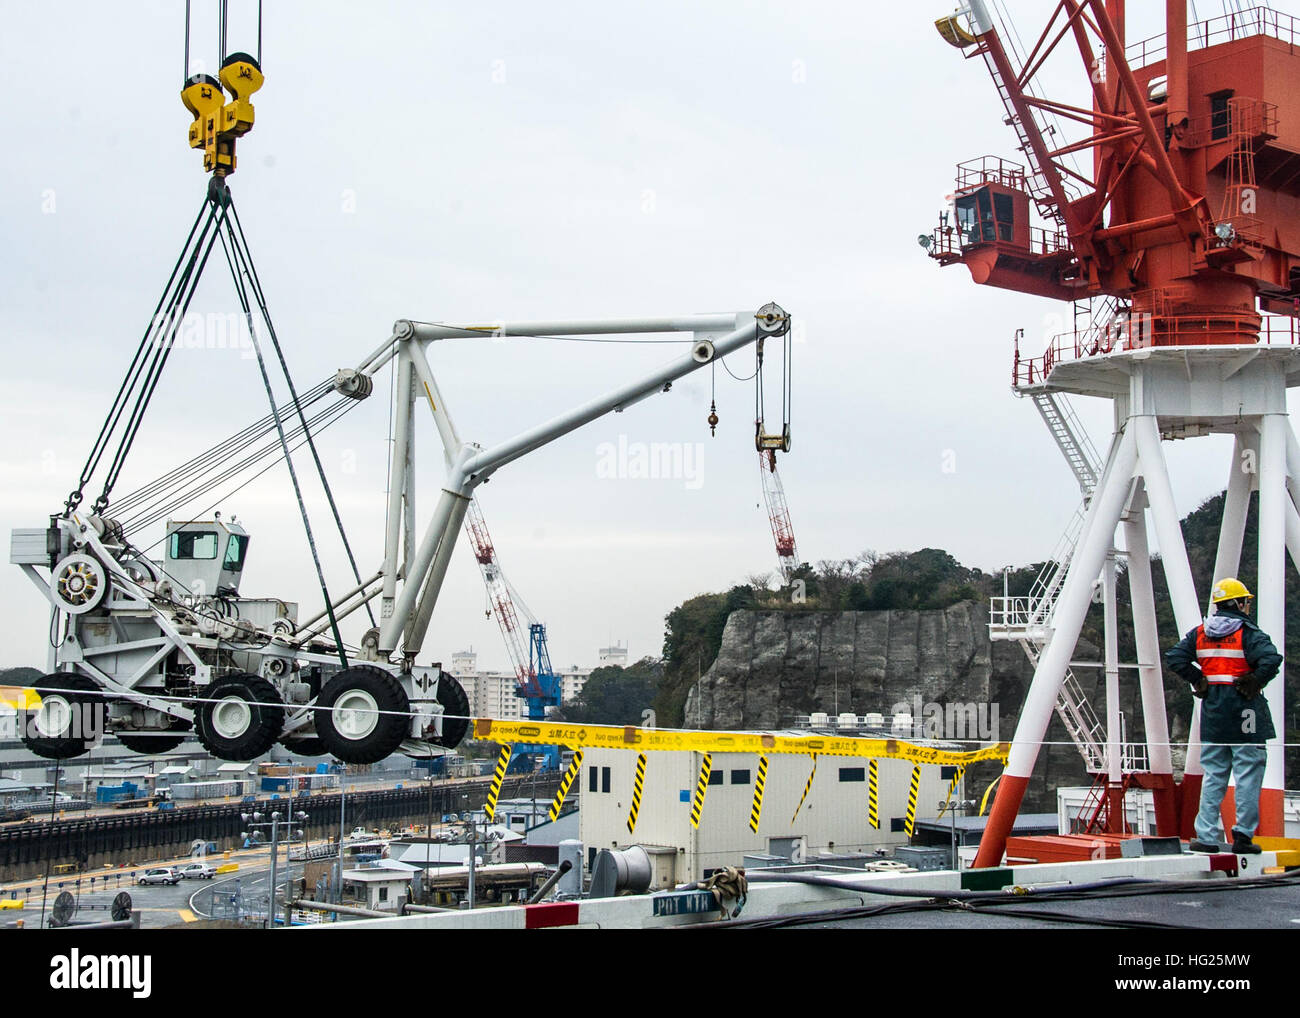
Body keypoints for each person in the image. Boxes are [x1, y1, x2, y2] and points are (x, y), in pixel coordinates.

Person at [1165, 578, 1281, 854]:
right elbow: (1272, 659)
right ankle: (1242, 836)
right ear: (1238, 603)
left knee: (1214, 773)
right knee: (1248, 772)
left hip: (1214, 712)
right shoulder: (1248, 633)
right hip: (1246, 711)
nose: (1248, 606)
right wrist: (1254, 680)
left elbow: (1175, 658)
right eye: (1246, 602)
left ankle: (1205, 836)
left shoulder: (1201, 633)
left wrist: (1198, 679)